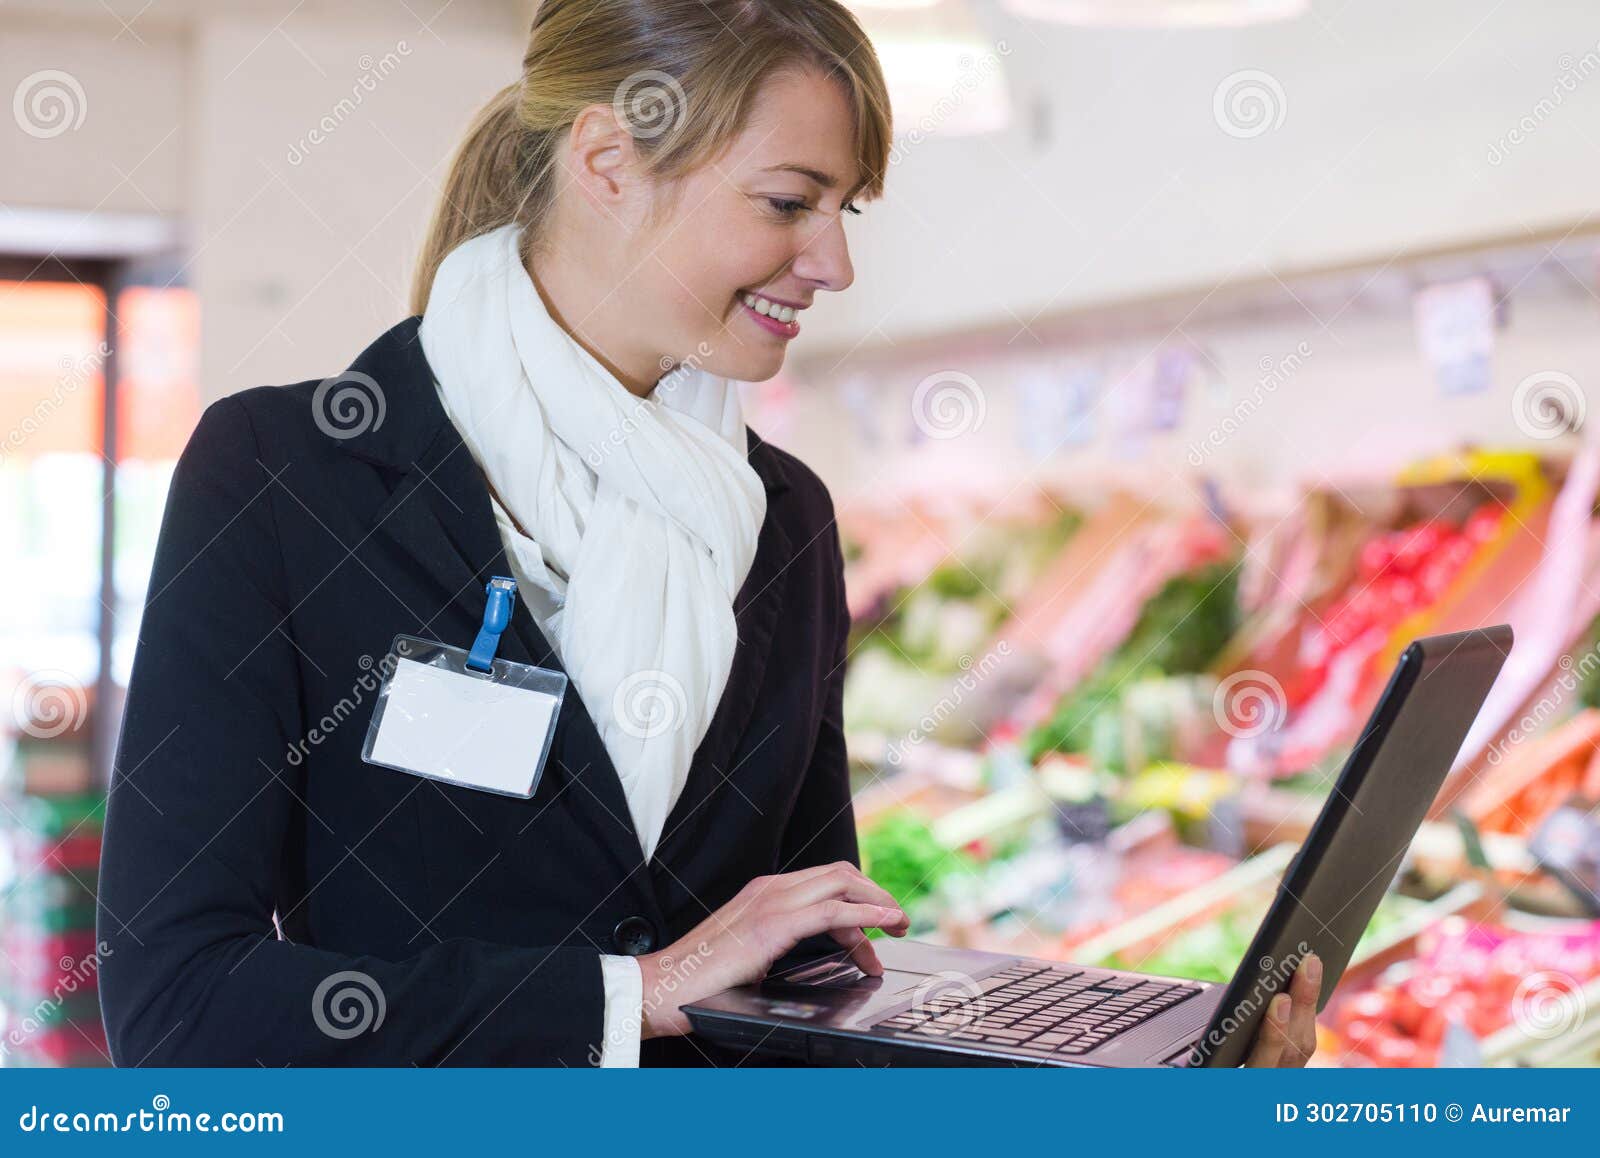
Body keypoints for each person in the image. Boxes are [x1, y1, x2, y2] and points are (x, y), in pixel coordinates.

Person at [97, 0, 1319, 1068]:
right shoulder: (289, 476)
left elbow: (805, 1005)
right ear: (608, 159)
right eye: (790, 202)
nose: (833, 262)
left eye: (846, 209)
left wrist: (1154, 1081)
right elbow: (180, 1004)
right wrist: (633, 995)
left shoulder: (783, 519)